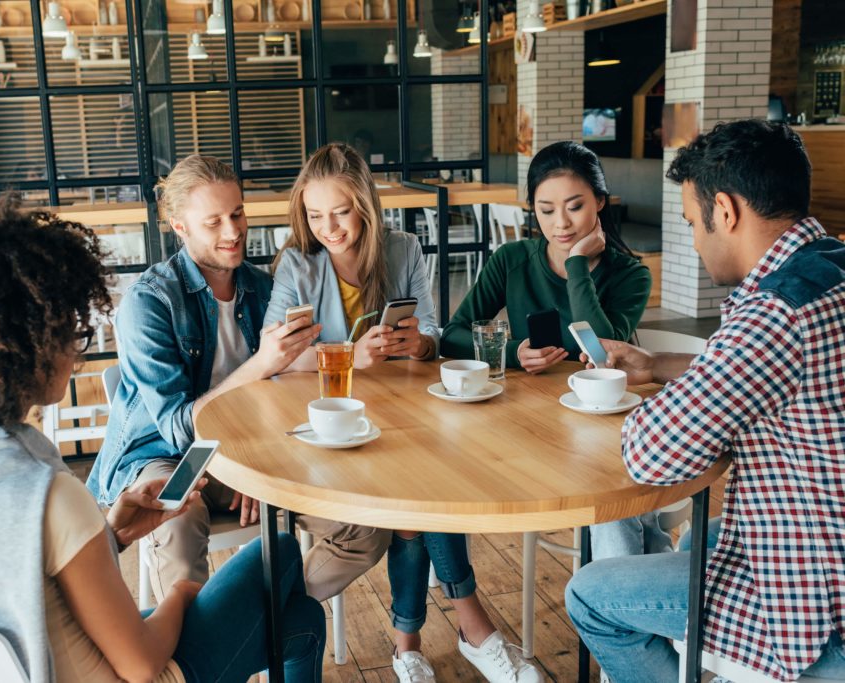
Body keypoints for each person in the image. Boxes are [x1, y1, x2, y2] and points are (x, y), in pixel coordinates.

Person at [0, 197, 325, 683]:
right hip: (142, 672)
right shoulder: (48, 496)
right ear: (23, 347)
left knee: (301, 622)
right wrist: (182, 593)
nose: (77, 354)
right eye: (71, 333)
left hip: (45, 665)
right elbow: (143, 665)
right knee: (280, 551)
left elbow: (26, 580)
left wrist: (112, 532)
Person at [565, 119, 845, 682]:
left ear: (726, 210)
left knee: (589, 595)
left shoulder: (775, 313)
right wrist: (661, 367)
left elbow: (651, 454)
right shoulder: (828, 266)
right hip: (820, 526)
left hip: (813, 587)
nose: (694, 241)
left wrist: (650, 396)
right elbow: (785, 376)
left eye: (693, 222)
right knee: (694, 537)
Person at [265, 143, 539, 683]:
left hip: (405, 413)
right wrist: (349, 356)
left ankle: (408, 646)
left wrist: (419, 346)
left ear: (365, 205)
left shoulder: (403, 248)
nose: (329, 227)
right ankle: (468, 627)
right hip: (330, 425)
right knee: (423, 499)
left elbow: (433, 330)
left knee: (426, 492)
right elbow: (274, 356)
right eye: (315, 215)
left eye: (340, 212)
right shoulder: (299, 263)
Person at [85, 155, 323, 603]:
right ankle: (193, 658)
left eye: (237, 214)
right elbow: (177, 429)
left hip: (245, 446)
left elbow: (283, 392)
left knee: (354, 524)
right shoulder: (149, 302)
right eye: (213, 222)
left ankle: (261, 621)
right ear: (180, 227)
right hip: (166, 455)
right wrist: (263, 363)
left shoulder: (264, 287)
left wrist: (257, 464)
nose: (232, 232)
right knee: (178, 516)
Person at [440, 141, 661, 561]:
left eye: (575, 206)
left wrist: (577, 265)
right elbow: (452, 335)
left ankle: (621, 599)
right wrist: (510, 354)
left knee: (614, 508)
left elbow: (602, 355)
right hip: (529, 431)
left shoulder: (630, 275)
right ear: (532, 209)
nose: (561, 223)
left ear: (600, 201)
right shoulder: (511, 260)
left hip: (601, 429)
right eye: (546, 210)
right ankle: (637, 581)